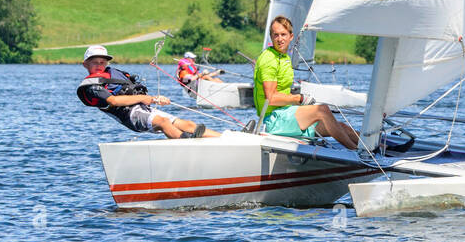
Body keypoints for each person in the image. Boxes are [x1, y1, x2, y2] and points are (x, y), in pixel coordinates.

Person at [253, 17, 358, 150]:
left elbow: (282, 93)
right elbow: (272, 98)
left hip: (285, 114)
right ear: (271, 37)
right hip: (274, 120)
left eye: (283, 34)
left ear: (291, 36)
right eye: (276, 35)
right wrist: (299, 98)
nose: (280, 39)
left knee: (340, 127)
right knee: (323, 110)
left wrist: (298, 99)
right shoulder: (269, 59)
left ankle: (373, 148)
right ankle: (355, 152)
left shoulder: (283, 57)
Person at [77, 45, 220, 140]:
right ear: (85, 64)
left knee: (188, 124)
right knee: (163, 122)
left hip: (144, 107)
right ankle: (191, 149)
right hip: (130, 115)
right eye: (95, 62)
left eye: (102, 62)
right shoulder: (91, 87)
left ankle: (224, 139)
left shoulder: (111, 74)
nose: (99, 65)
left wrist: (153, 99)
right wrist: (148, 98)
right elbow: (113, 101)